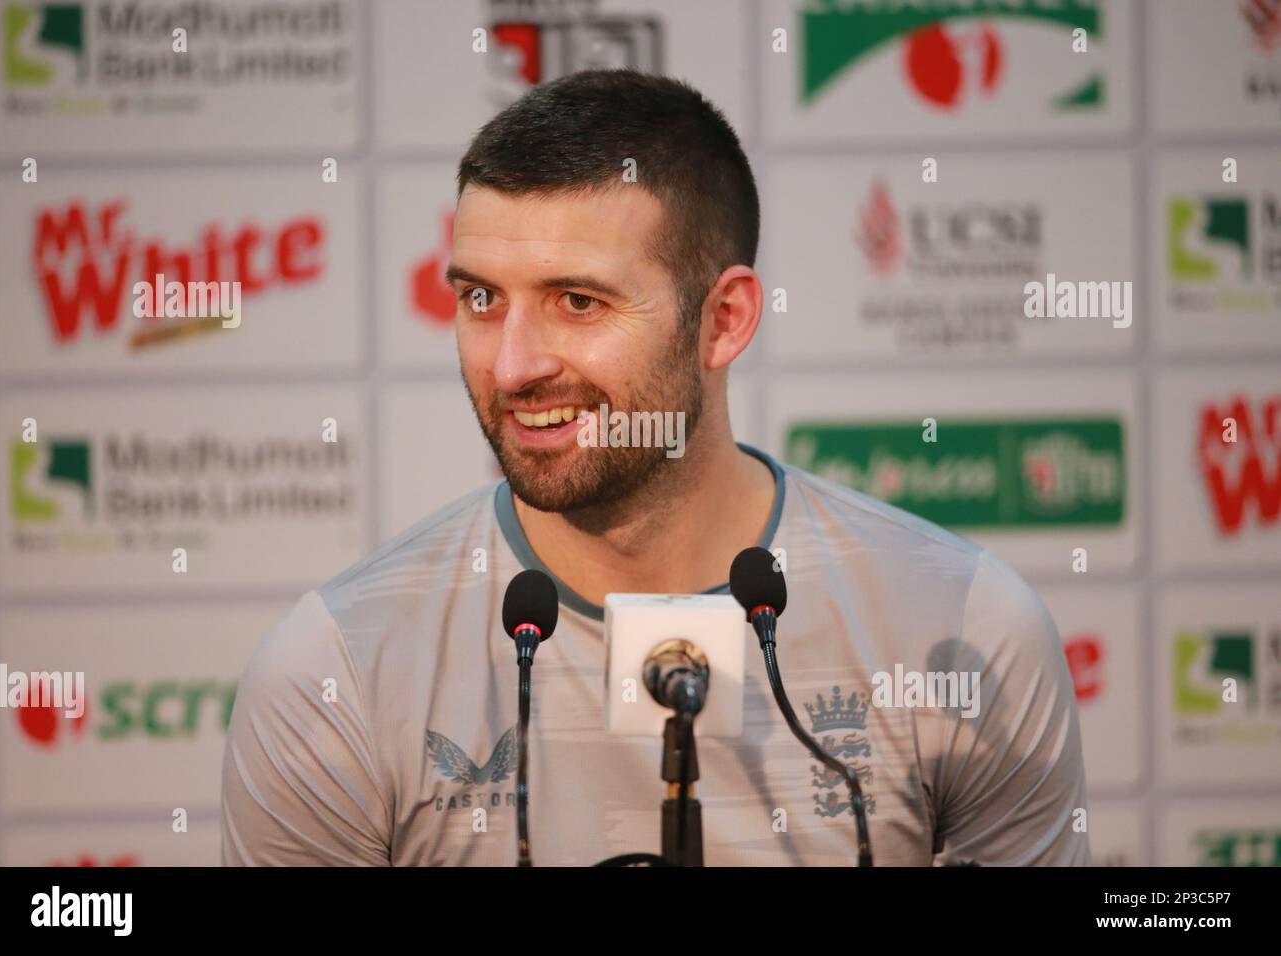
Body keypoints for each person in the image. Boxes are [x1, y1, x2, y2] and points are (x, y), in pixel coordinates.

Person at [220, 69, 1090, 866]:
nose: (514, 366)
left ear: (723, 320)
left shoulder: (964, 630)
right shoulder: (332, 675)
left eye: (578, 301)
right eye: (481, 298)